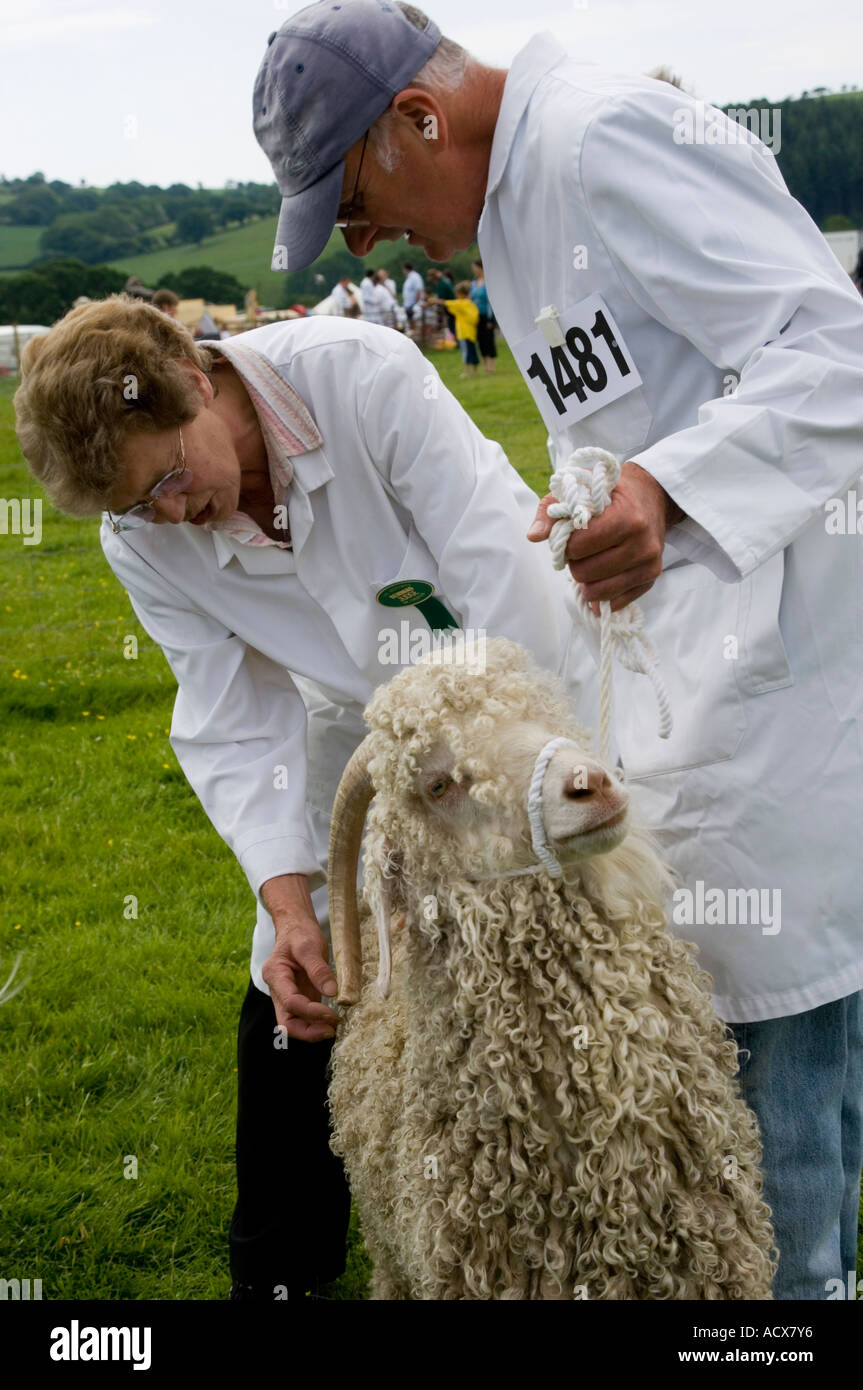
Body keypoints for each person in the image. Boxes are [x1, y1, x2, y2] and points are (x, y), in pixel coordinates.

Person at [251, 0, 863, 1299]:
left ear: (416, 119)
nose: (364, 244)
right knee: (698, 1153)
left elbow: (835, 349)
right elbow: (639, 420)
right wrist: (596, 502)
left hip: (779, 734)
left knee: (775, 1211)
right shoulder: (514, 225)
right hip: (678, 725)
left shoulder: (600, 139)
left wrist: (670, 488)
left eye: (353, 204)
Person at [13, 293, 573, 1300]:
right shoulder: (141, 537)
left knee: (527, 966)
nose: (174, 517)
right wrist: (285, 904)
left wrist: (493, 775)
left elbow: (502, 575)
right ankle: (281, 1274)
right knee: (294, 988)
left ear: (196, 379)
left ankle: (541, 1228)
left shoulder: (361, 377)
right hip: (342, 733)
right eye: (142, 507)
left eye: (171, 478)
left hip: (504, 696)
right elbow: (229, 712)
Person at [430, 280, 478, 375]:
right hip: (470, 332)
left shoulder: (461, 303)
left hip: (464, 333)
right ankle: (474, 372)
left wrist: (435, 301)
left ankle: (467, 372)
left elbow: (448, 303)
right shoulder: (469, 303)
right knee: (472, 352)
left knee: (466, 353)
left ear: (460, 294)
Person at [470, 257, 496, 373]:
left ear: (480, 268)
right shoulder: (473, 283)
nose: (474, 270)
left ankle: (492, 366)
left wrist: (491, 319)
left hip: (487, 316)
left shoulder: (488, 282)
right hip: (476, 316)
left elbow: (491, 301)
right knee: (480, 341)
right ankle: (485, 365)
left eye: (475, 268)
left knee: (489, 340)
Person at [400, 259, 424, 326]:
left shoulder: (415, 277)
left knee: (414, 323)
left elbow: (418, 290)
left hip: (413, 305)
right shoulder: (409, 277)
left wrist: (415, 304)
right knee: (410, 322)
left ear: (405, 269)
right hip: (409, 305)